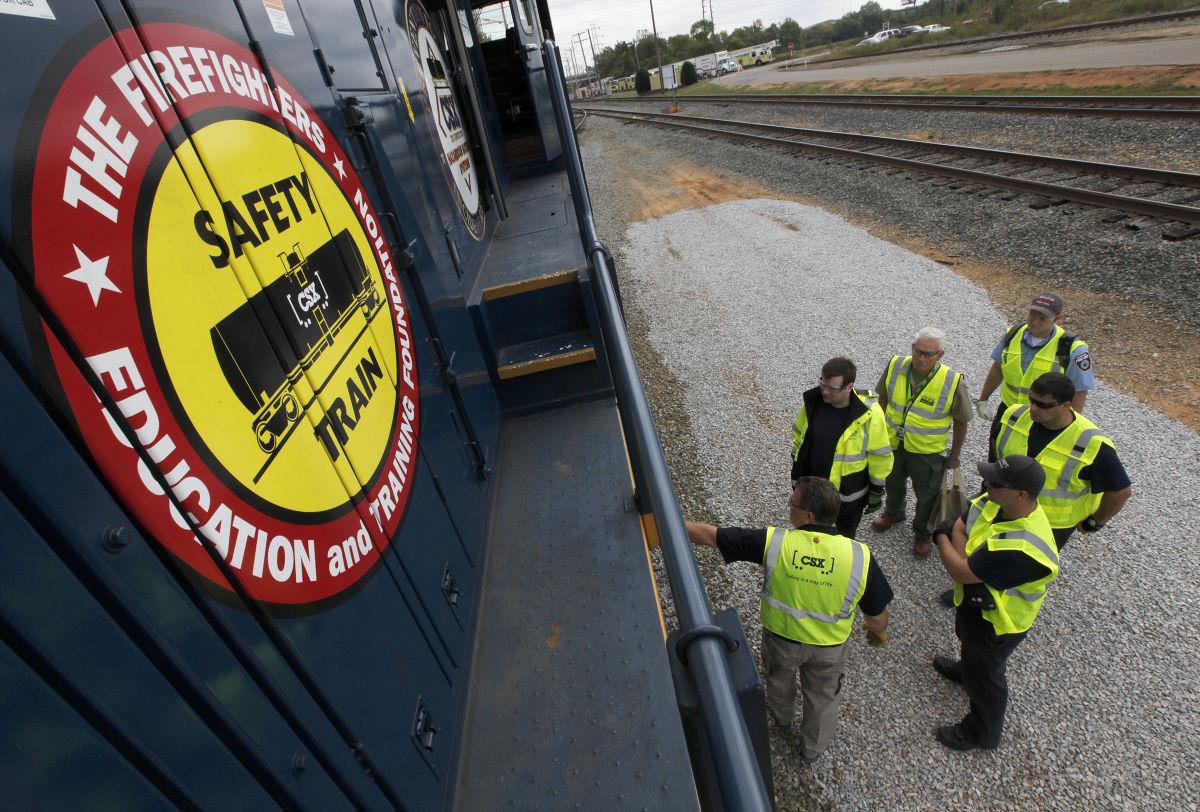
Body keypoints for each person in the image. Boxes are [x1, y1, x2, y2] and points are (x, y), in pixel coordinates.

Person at [686, 477, 894, 763]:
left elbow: (713, 536)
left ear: (809, 516)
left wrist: (669, 523)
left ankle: (782, 719)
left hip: (781, 642)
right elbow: (878, 619)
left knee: (779, 683)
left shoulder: (775, 543)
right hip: (829, 649)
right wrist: (876, 632)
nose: (789, 507)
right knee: (823, 700)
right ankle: (812, 750)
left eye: (792, 503)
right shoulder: (859, 557)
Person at [930, 455, 1059, 751]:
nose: (986, 483)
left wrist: (941, 539)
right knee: (968, 644)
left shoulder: (1022, 545)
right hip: (977, 607)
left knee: (986, 676)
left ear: (1021, 494)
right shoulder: (995, 501)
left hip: (998, 624)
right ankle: (966, 671)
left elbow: (958, 568)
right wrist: (966, 559)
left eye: (996, 482)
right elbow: (960, 527)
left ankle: (982, 733)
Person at [993, 372, 1132, 550]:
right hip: (1004, 507)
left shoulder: (1091, 443)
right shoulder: (1014, 415)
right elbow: (996, 452)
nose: (1033, 408)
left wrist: (1094, 522)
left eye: (1043, 405)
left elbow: (1121, 492)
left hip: (1049, 527)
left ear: (1066, 405)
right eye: (1032, 400)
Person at [871, 327, 971, 557]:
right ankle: (894, 512)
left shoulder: (951, 381)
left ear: (940, 355)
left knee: (927, 495)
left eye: (928, 354)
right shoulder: (895, 365)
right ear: (912, 348)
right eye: (918, 351)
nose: (921, 358)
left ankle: (923, 532)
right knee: (892, 482)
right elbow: (883, 398)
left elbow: (962, 421)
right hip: (893, 444)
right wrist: (876, 433)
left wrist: (955, 456)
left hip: (927, 453)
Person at [976, 292, 1095, 456]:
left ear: (1058, 318)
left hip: (1045, 419)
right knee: (997, 455)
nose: (1034, 321)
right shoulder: (1013, 334)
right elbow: (998, 368)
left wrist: (1070, 428)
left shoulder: (1073, 349)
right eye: (1032, 314)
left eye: (1042, 318)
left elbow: (1079, 392)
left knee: (1033, 464)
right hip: (1008, 412)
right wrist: (983, 399)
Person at [791, 357, 893, 539]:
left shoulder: (870, 413)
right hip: (813, 490)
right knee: (809, 533)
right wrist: (797, 466)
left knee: (845, 537)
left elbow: (879, 454)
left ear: (849, 387)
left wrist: (877, 489)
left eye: (832, 388)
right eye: (822, 384)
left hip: (848, 495)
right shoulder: (813, 402)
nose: (825, 392)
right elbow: (799, 434)